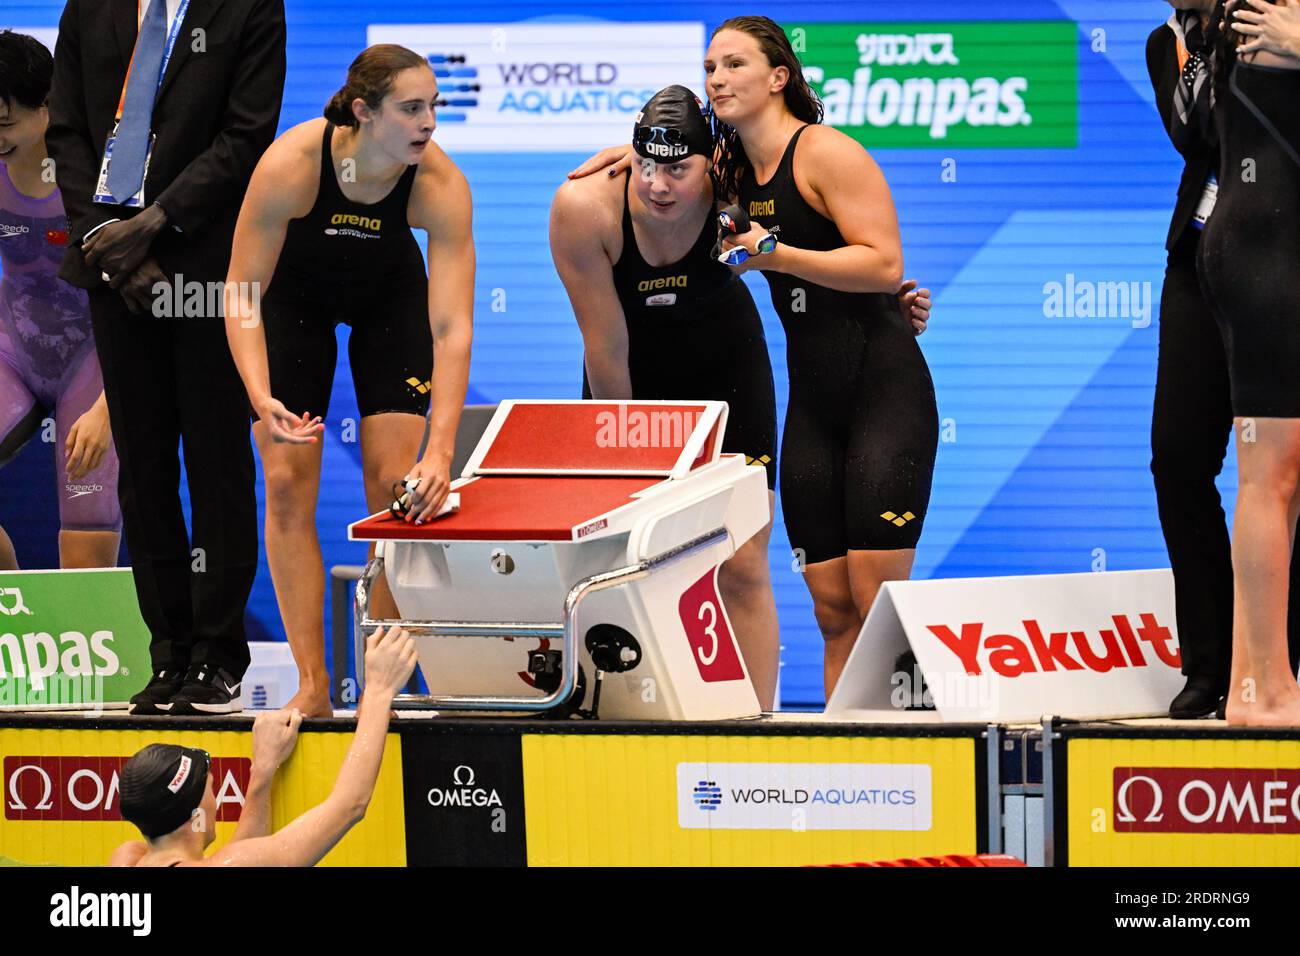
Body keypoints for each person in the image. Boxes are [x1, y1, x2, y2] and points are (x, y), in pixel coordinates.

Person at [46, 0, 287, 715]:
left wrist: (152, 224)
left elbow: (245, 138)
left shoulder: (247, 7)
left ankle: (217, 656)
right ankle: (167, 654)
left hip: (206, 262)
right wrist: (107, 244)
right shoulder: (90, 6)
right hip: (112, 269)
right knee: (143, 470)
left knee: (215, 463)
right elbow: (67, 130)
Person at [224, 45, 474, 717]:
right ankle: (311, 685)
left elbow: (452, 331)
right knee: (284, 478)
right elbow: (242, 293)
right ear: (364, 111)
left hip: (387, 301)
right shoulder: (293, 164)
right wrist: (258, 394)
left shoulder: (439, 184)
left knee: (399, 489)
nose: (429, 124)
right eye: (412, 108)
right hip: (289, 304)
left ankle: (379, 688)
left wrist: (442, 454)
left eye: (434, 107)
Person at [708, 17, 938, 699]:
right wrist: (621, 158)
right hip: (812, 402)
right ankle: (852, 762)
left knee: (878, 605)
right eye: (711, 67)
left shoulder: (825, 152)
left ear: (778, 77)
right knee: (832, 609)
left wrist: (777, 255)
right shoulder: (729, 169)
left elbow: (884, 262)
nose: (717, 79)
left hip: (884, 391)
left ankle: (925, 763)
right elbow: (663, 166)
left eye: (735, 65)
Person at [550, 86, 783, 708]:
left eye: (677, 168)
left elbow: (822, 237)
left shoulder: (738, 194)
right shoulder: (585, 208)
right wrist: (632, 453)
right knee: (623, 556)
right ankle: (637, 712)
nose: (656, 184)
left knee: (741, 561)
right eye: (646, 163)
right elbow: (605, 346)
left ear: (710, 163)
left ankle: (756, 724)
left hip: (728, 371)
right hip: (628, 373)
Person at [108, 624, 417, 867]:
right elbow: (349, 805)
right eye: (210, 791)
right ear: (195, 817)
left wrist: (263, 772)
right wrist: (378, 690)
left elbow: (237, 858)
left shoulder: (126, 858)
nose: (215, 803)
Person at [1198, 0, 1300, 725]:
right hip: (1268, 249)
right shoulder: (1269, 12)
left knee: (1282, 474)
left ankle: (1247, 684)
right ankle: (1271, 690)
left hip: (1270, 242)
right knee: (1274, 472)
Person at [0, 31, 120, 571]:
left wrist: (110, 404)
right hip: (13, 348)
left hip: (95, 357)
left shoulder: (99, 174)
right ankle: (15, 622)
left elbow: (137, 302)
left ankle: (80, 644)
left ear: (47, 108)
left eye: (5, 124)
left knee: (89, 510)